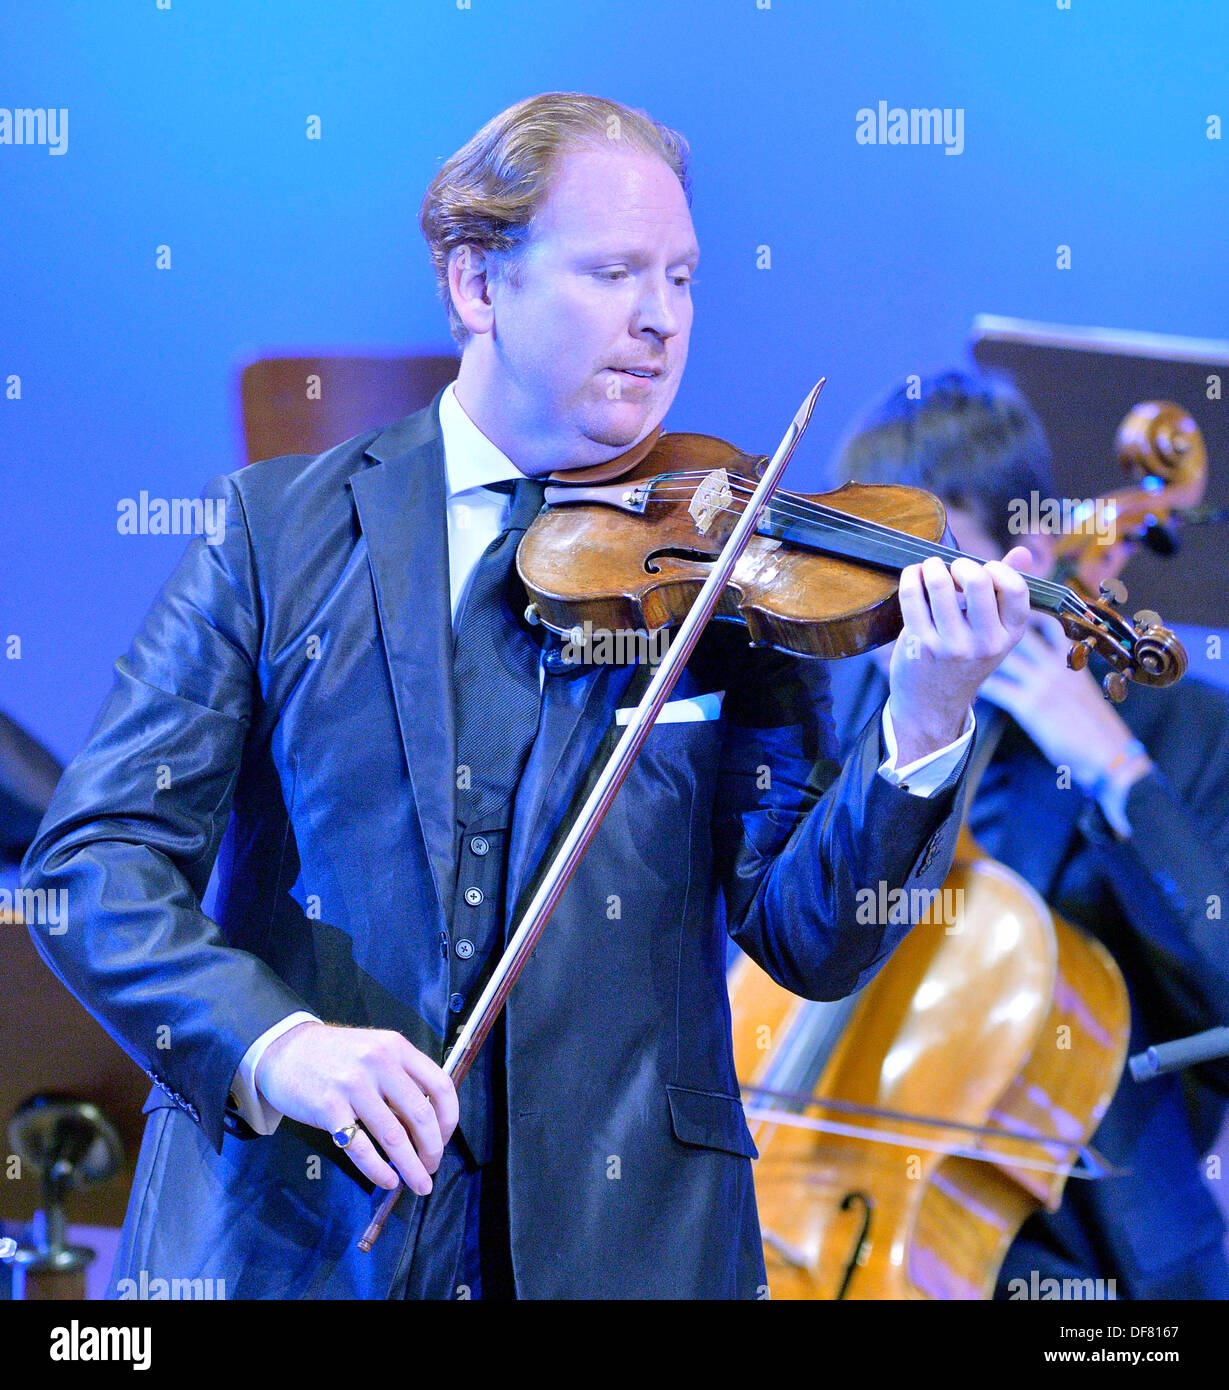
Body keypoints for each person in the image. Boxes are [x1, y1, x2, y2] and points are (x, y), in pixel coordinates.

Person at [20, 96, 1030, 1300]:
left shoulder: (732, 567)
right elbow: (92, 865)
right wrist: (279, 1047)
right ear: (474, 284)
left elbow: (809, 937)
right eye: (612, 273)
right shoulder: (272, 533)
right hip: (288, 1242)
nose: (660, 319)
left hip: (625, 1256)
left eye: (681, 278)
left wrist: (921, 720)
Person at [827, 370, 1229, 1299]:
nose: (899, 616)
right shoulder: (857, 718)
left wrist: (1117, 774)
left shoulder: (1183, 735)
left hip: (1094, 1263)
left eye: (931, 571)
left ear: (1030, 558)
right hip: (865, 1226)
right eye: (868, 570)